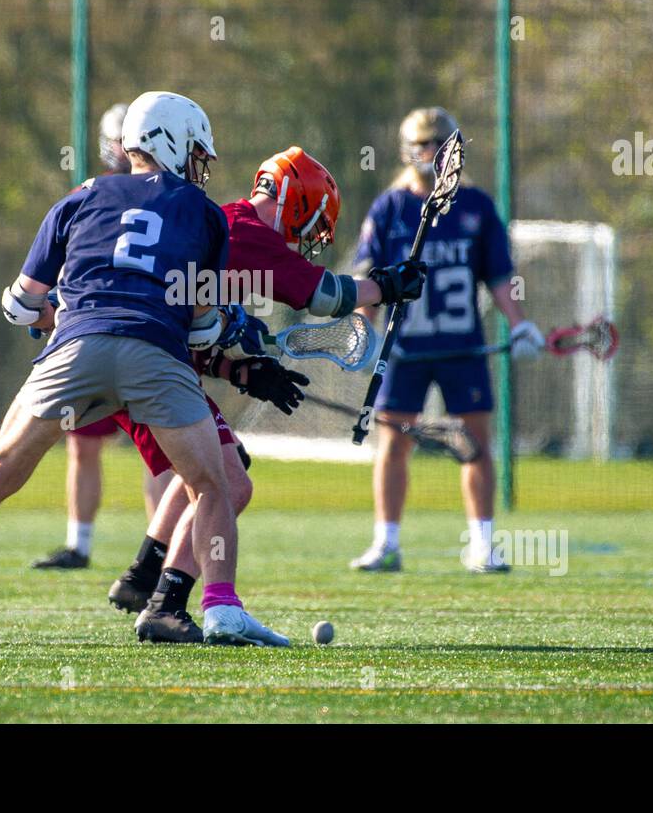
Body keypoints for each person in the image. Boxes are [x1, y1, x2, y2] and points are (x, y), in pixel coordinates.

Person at [0, 90, 287, 646]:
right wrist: (234, 337)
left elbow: (20, 305)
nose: (201, 162)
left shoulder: (81, 195)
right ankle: (222, 610)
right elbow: (201, 325)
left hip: (75, 348)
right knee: (213, 484)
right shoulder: (203, 213)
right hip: (154, 352)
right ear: (174, 142)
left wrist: (62, 313)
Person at [105, 146, 426, 642]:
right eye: (312, 220)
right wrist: (386, 286)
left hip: (135, 361)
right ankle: (168, 603)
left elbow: (190, 330)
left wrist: (240, 369)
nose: (309, 236)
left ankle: (143, 576)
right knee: (228, 483)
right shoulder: (248, 232)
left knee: (222, 465)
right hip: (146, 367)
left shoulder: (227, 225)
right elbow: (326, 295)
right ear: (296, 200)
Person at [350, 107, 544, 574]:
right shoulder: (390, 208)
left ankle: (481, 544)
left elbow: (499, 277)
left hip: (461, 346)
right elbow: (366, 281)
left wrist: (518, 323)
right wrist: (362, 335)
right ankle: (387, 542)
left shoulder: (476, 207)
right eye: (423, 145)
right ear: (407, 150)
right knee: (393, 441)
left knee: (475, 442)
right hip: (405, 347)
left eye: (440, 145)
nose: (431, 154)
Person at [31, 102, 174, 570]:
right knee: (96, 445)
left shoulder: (95, 193)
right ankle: (90, 544)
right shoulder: (163, 197)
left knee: (159, 452)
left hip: (105, 337)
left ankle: (155, 550)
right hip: (135, 337)